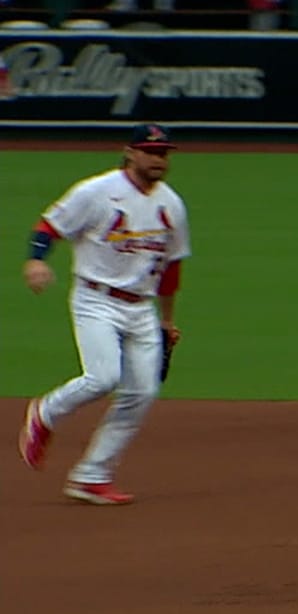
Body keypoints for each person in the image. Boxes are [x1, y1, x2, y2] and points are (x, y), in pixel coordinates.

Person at [18, 123, 190, 505]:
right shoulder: (97, 191)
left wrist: (167, 320)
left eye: (163, 153)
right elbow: (48, 226)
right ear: (130, 153)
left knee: (142, 392)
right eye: (150, 151)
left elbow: (171, 268)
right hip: (95, 299)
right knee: (103, 377)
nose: (158, 159)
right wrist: (36, 261)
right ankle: (46, 413)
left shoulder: (171, 205)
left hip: (141, 307)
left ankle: (92, 475)